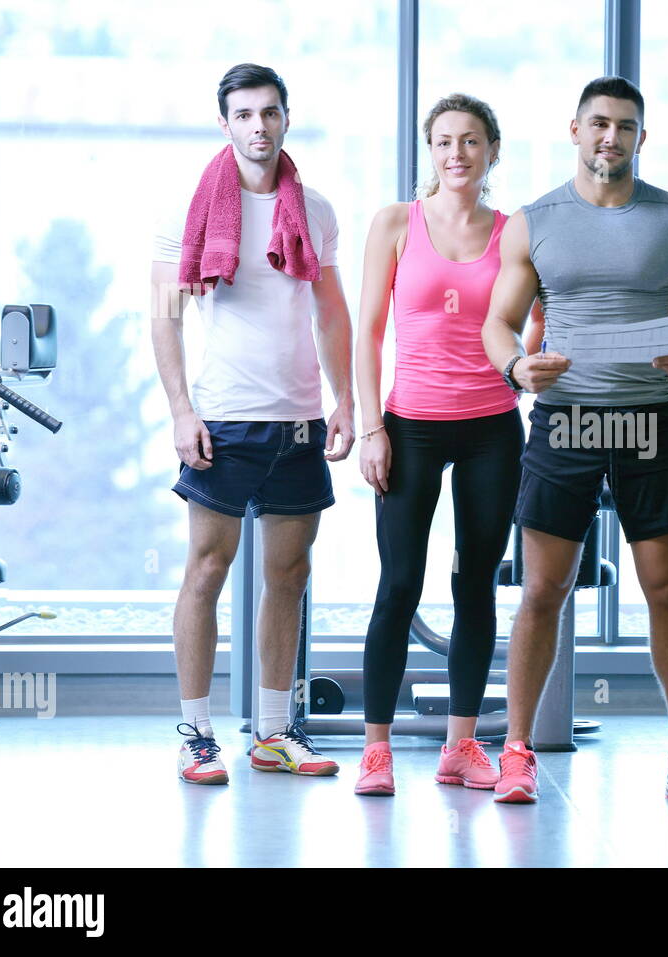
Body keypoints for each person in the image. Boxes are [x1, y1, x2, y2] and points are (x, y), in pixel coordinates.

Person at [481, 76, 668, 806]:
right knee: (543, 589)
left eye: (625, 126)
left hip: (647, 421)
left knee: (667, 590)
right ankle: (517, 751)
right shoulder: (534, 221)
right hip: (564, 420)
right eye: (599, 123)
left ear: (641, 137)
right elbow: (498, 322)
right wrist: (516, 367)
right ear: (575, 130)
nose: (610, 137)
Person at [151, 63, 354, 785]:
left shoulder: (316, 210)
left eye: (269, 112)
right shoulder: (191, 209)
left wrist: (346, 401)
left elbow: (331, 313)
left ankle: (273, 732)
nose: (258, 126)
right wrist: (181, 410)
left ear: (286, 118)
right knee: (207, 569)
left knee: (289, 575)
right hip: (224, 417)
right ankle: (196, 733)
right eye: (244, 114)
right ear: (225, 123)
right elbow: (165, 316)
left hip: (297, 419)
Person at [353, 94, 526, 796]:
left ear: (492, 152)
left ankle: (461, 745)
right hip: (411, 426)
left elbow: (538, 319)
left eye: (471, 141)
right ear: (430, 150)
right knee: (399, 584)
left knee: (474, 586)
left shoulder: (513, 233)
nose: (458, 153)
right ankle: (377, 749)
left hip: (492, 427)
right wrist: (371, 428)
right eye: (445, 141)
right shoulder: (396, 223)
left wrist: (527, 364)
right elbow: (367, 332)